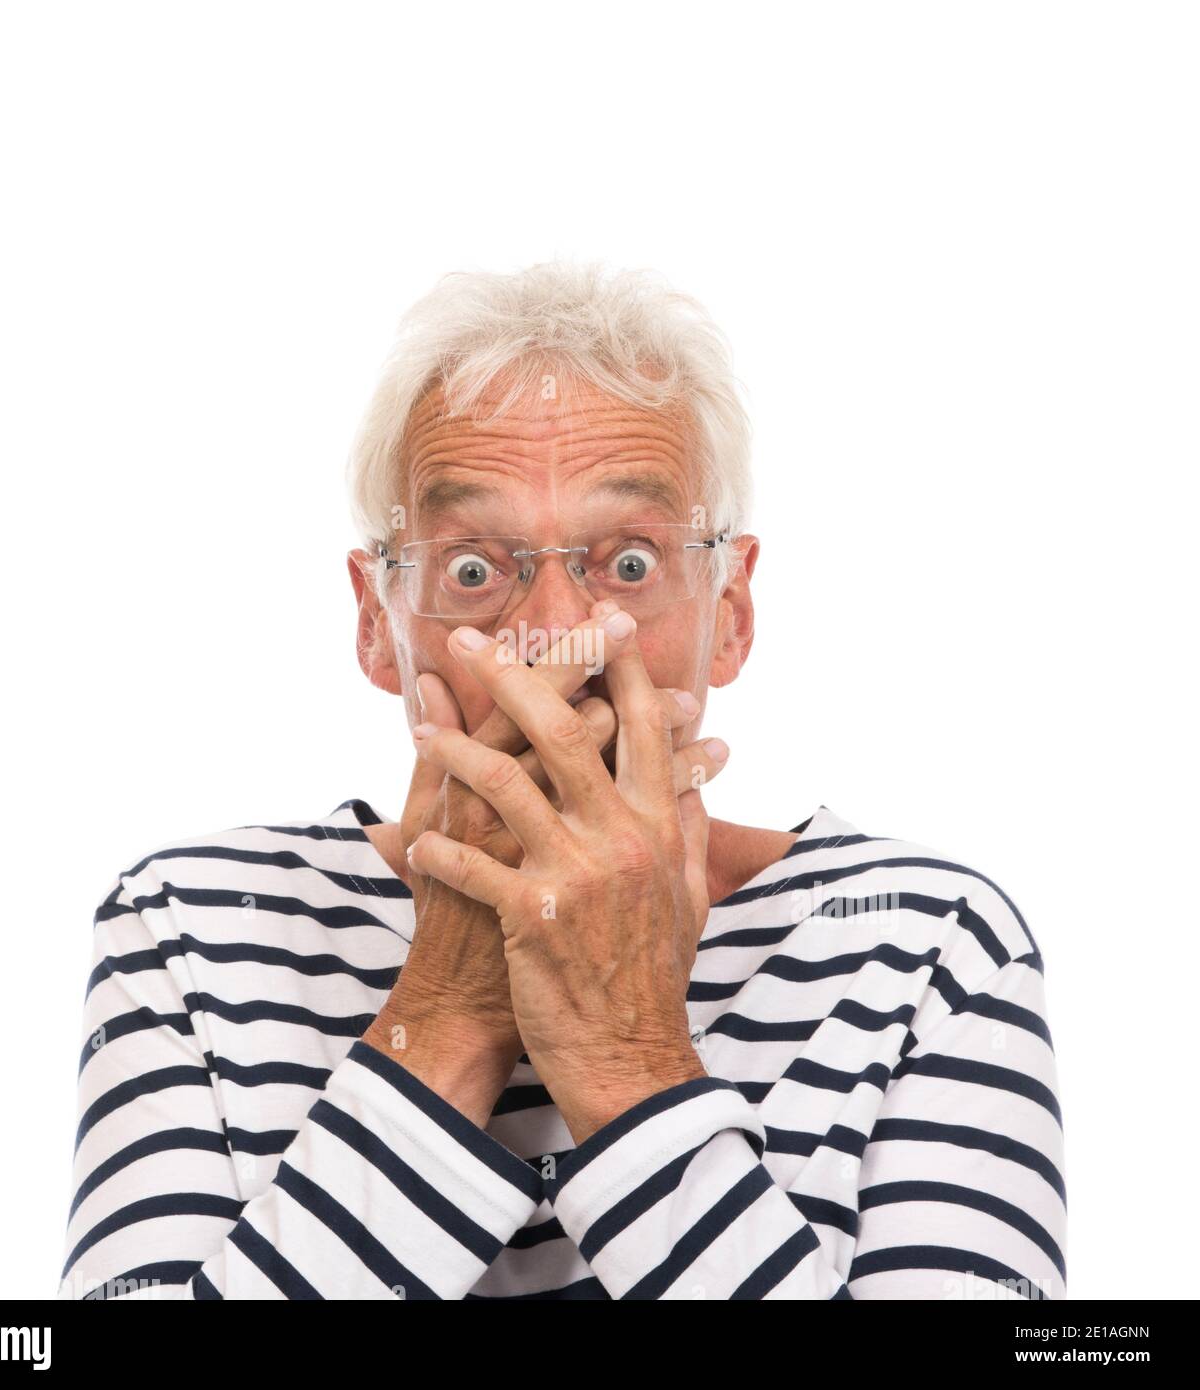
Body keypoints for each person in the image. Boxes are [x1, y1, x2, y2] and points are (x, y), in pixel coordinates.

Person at [61, 262, 1065, 1300]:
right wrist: (452, 1006)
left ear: (731, 611)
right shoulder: (191, 925)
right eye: (472, 568)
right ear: (376, 621)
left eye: (628, 562)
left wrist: (624, 1051)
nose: (556, 629)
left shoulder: (923, 940)